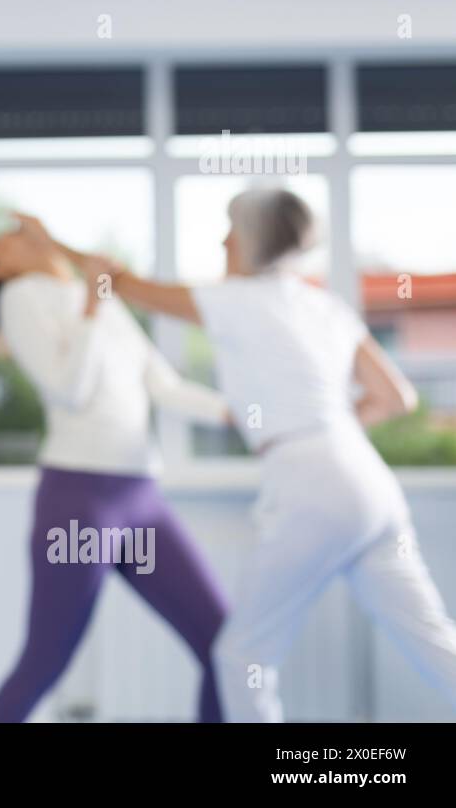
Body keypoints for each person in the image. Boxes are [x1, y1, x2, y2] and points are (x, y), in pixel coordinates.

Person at [74, 187, 456, 721]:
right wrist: (325, 423)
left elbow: (132, 288)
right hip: (368, 480)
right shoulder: (323, 305)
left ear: (252, 241)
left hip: (314, 483)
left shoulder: (237, 300)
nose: (222, 240)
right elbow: (397, 397)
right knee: (433, 639)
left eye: (230, 231)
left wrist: (77, 259)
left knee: (241, 654)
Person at [0, 214, 231, 722]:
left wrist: (236, 414)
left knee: (222, 642)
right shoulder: (19, 299)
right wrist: (92, 300)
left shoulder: (94, 296)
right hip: (80, 502)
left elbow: (165, 385)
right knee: (45, 661)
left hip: (141, 501)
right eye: (1, 239)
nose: (17, 235)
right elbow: (70, 389)